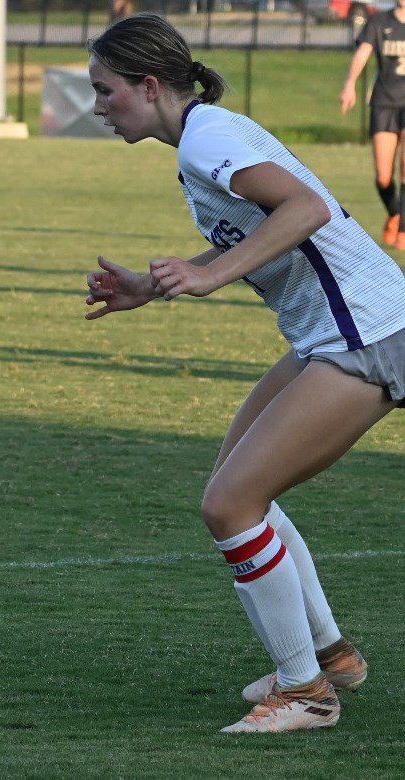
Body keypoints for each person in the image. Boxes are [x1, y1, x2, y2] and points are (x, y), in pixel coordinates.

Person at [85, 14, 401, 734]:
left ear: (149, 84)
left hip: (365, 332)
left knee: (230, 504)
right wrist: (153, 285)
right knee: (234, 484)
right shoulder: (201, 136)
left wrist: (210, 276)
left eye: (105, 91)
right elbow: (265, 227)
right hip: (335, 330)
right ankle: (328, 654)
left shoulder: (209, 139)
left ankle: (305, 693)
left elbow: (307, 209)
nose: (97, 106)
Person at [340, 0, 405, 250]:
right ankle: (394, 213)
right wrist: (349, 85)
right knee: (383, 176)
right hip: (384, 104)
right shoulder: (379, 22)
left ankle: (402, 231)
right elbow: (362, 54)